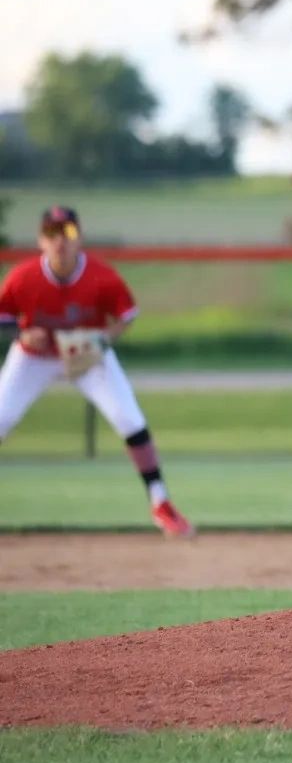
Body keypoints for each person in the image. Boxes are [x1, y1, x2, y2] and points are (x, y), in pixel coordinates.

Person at [0, 206, 195, 538]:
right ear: (40, 240)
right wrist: (20, 333)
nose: (61, 240)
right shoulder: (23, 277)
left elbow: (127, 315)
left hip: (86, 356)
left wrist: (104, 340)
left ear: (80, 239)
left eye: (69, 233)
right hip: (34, 356)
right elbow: (3, 316)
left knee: (129, 420)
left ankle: (160, 502)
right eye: (52, 233)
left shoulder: (102, 277)